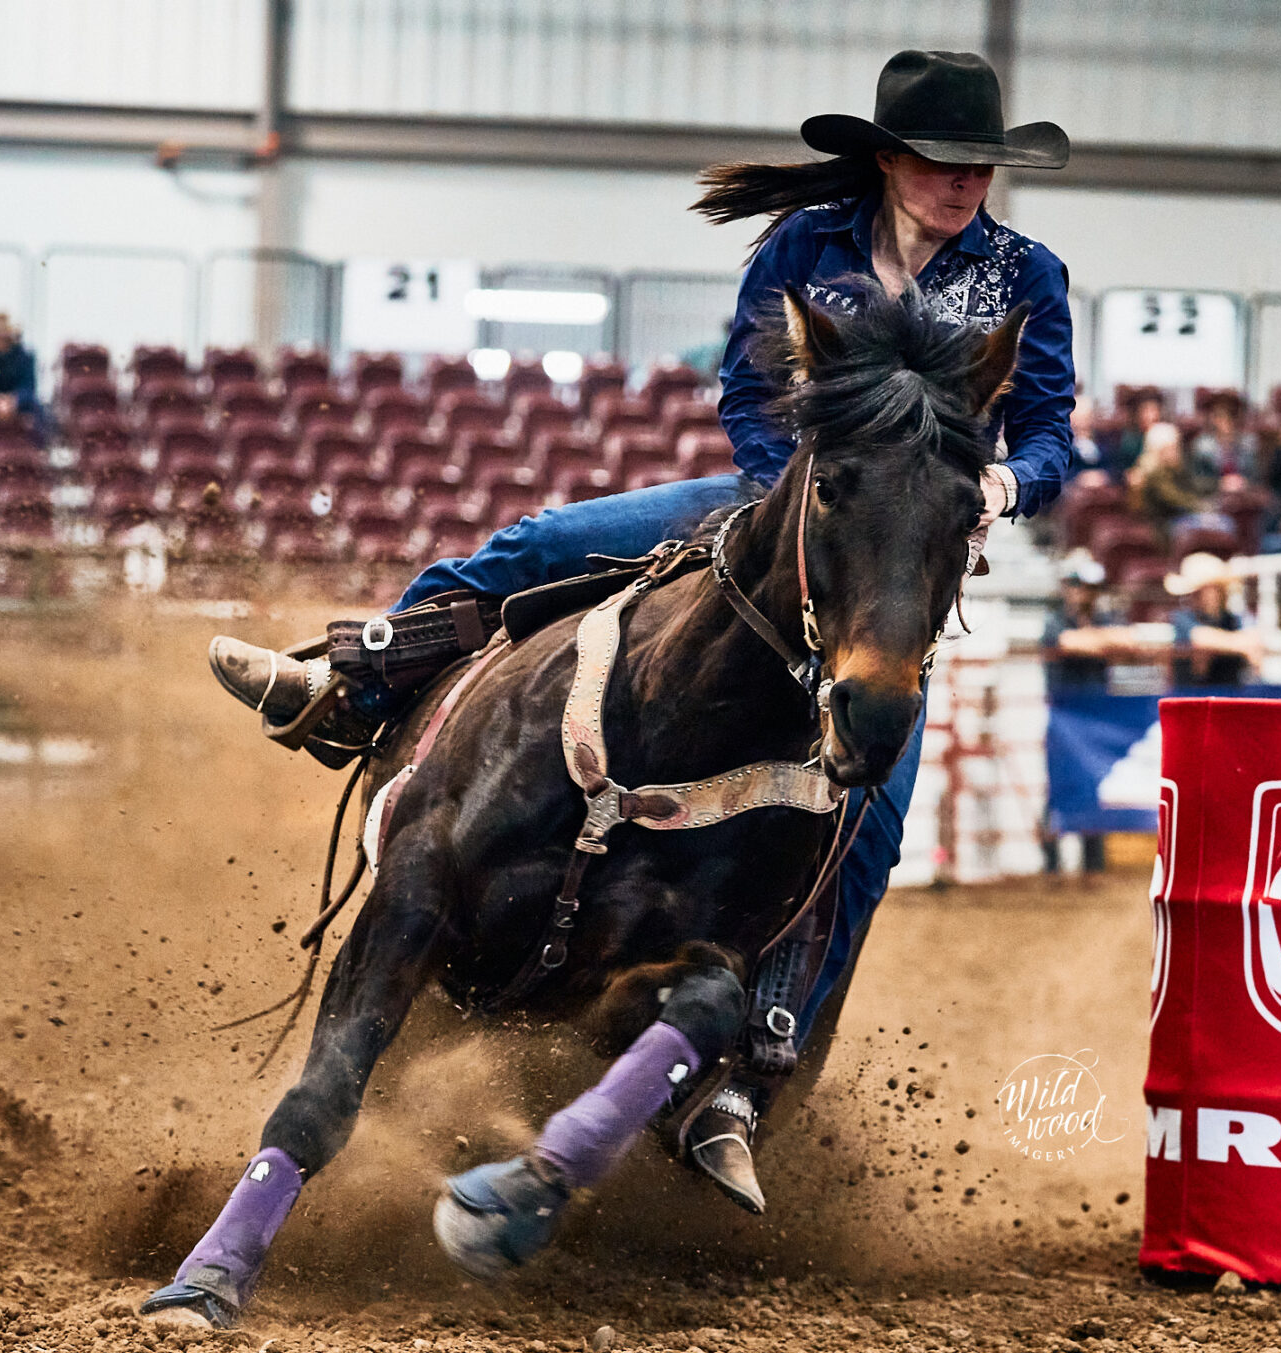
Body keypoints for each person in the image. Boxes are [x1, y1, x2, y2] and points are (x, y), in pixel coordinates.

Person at [205, 49, 1075, 1214]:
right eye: (942, 161)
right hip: (781, 511)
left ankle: (754, 1061)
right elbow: (746, 390)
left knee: (870, 824)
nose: (964, 184)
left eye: (981, 165)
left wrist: (1002, 489)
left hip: (898, 567)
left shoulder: (1027, 276)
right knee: (546, 544)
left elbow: (1056, 427)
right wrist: (793, 513)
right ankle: (364, 677)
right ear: (887, 159)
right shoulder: (804, 250)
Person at [1040, 550, 1113, 875]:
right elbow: (1065, 642)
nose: (1085, 593)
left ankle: (1091, 863)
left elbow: (1121, 639)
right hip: (1068, 720)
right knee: (1060, 787)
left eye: (1089, 587)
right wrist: (1102, 641)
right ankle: (1052, 864)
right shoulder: (1055, 622)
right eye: (1080, 585)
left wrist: (1096, 640)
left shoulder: (1102, 620)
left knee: (1093, 786)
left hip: (1091, 718)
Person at [1164, 552, 1263, 686]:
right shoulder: (1181, 618)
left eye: (1201, 591)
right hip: (1191, 697)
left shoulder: (1232, 619)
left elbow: (1254, 639)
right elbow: (1200, 638)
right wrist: (1239, 644)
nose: (1193, 596)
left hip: (1229, 696)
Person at [1126, 420, 1215, 535]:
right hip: (1163, 525)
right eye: (1172, 448)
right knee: (1220, 525)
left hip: (1180, 517)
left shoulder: (1173, 468)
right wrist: (1202, 507)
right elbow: (1174, 499)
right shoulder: (1153, 472)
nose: (1176, 452)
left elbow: (1193, 485)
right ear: (1159, 450)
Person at [1190, 393, 1256, 483]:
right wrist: (1220, 483)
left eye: (1231, 414)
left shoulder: (1249, 443)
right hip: (1211, 493)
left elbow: (1255, 477)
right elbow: (1197, 480)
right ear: (1212, 418)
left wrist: (1243, 482)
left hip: (1243, 493)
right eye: (1219, 415)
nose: (1225, 420)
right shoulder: (1202, 445)